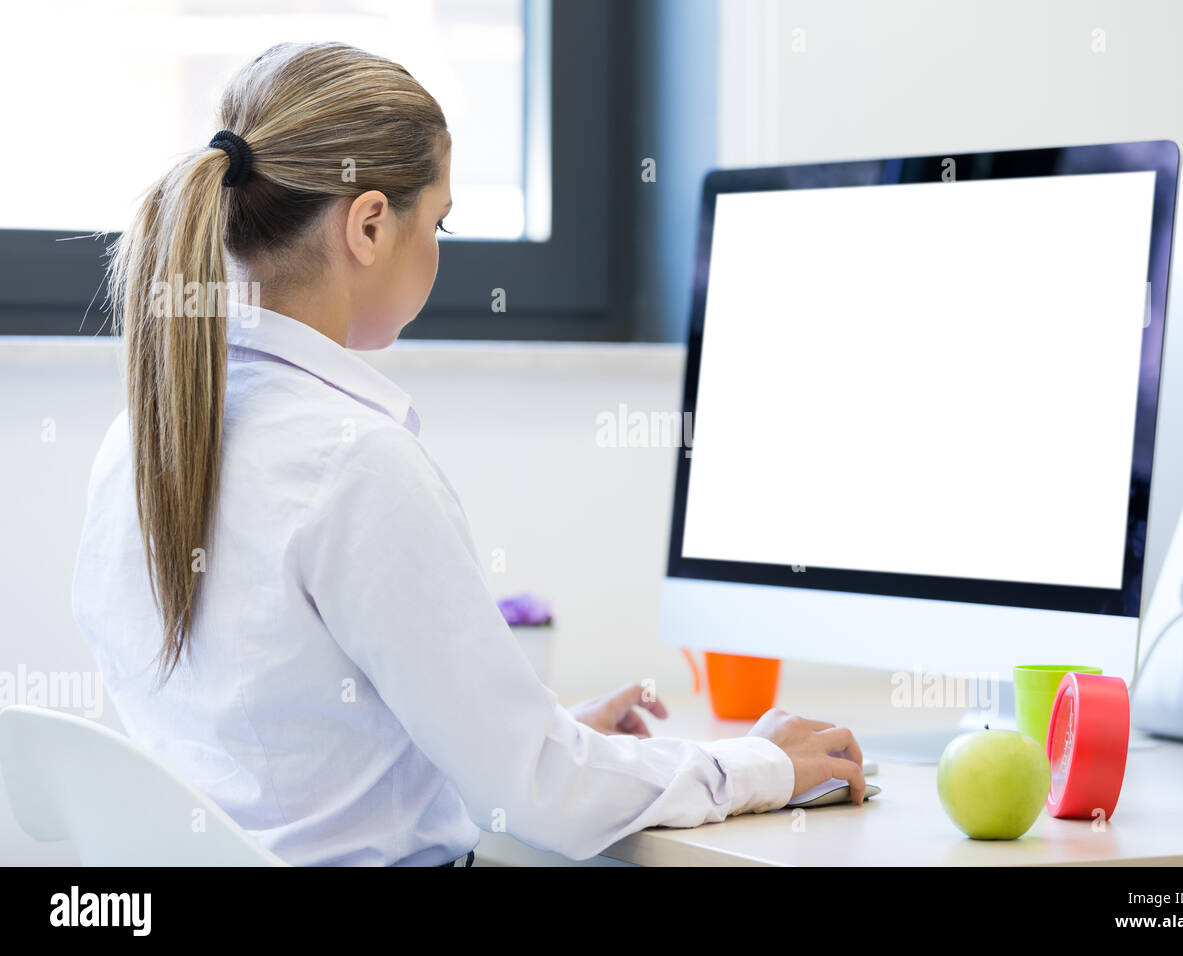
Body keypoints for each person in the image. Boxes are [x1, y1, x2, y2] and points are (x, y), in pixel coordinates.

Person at [71, 41, 866, 867]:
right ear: (370, 224)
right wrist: (758, 766)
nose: (441, 248)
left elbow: (294, 759)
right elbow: (540, 800)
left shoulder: (142, 438)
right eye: (440, 220)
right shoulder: (354, 464)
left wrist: (514, 739)